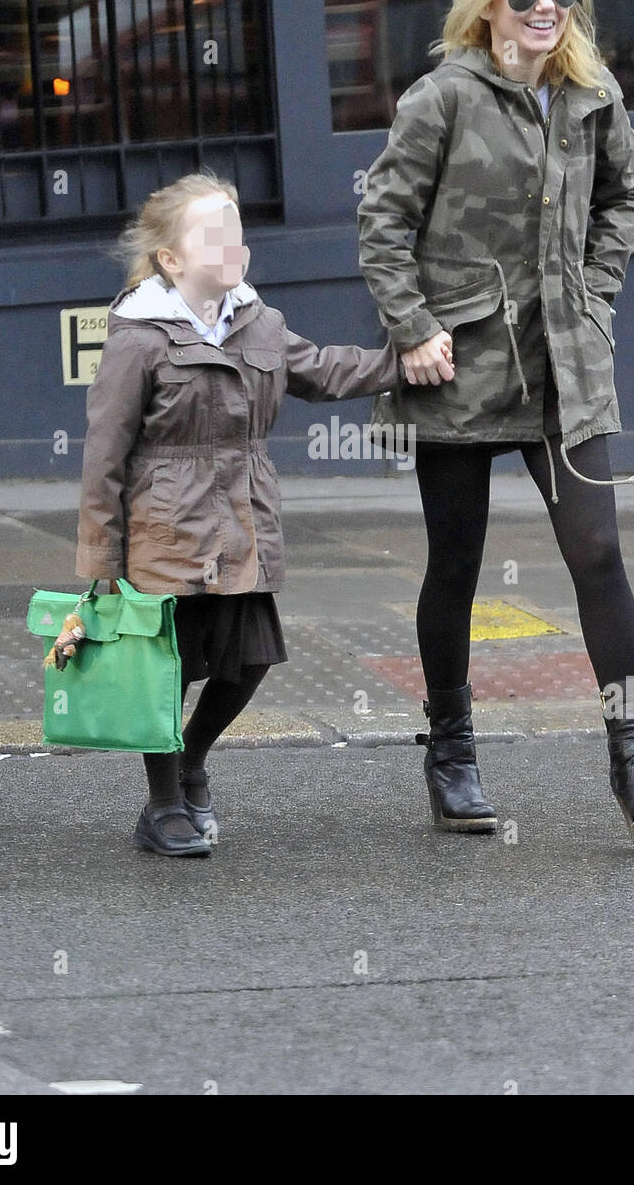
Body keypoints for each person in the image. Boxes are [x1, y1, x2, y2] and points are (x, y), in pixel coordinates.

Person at [357, 0, 634, 841]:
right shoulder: (442, 98)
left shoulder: (591, 93)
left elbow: (628, 196)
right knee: (455, 564)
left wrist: (596, 293)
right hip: (458, 364)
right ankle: (451, 758)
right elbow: (382, 224)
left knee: (599, 552)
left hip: (564, 369)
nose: (545, 8)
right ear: (490, 3)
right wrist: (413, 328)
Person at [69, 171, 400, 857]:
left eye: (236, 231)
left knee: (247, 662)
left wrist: (407, 362)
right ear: (171, 258)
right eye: (212, 233)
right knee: (162, 674)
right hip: (164, 537)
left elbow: (326, 370)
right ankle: (162, 806)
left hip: (243, 528)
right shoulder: (139, 337)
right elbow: (104, 455)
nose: (232, 243)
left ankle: (192, 761)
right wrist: (101, 562)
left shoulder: (259, 322)